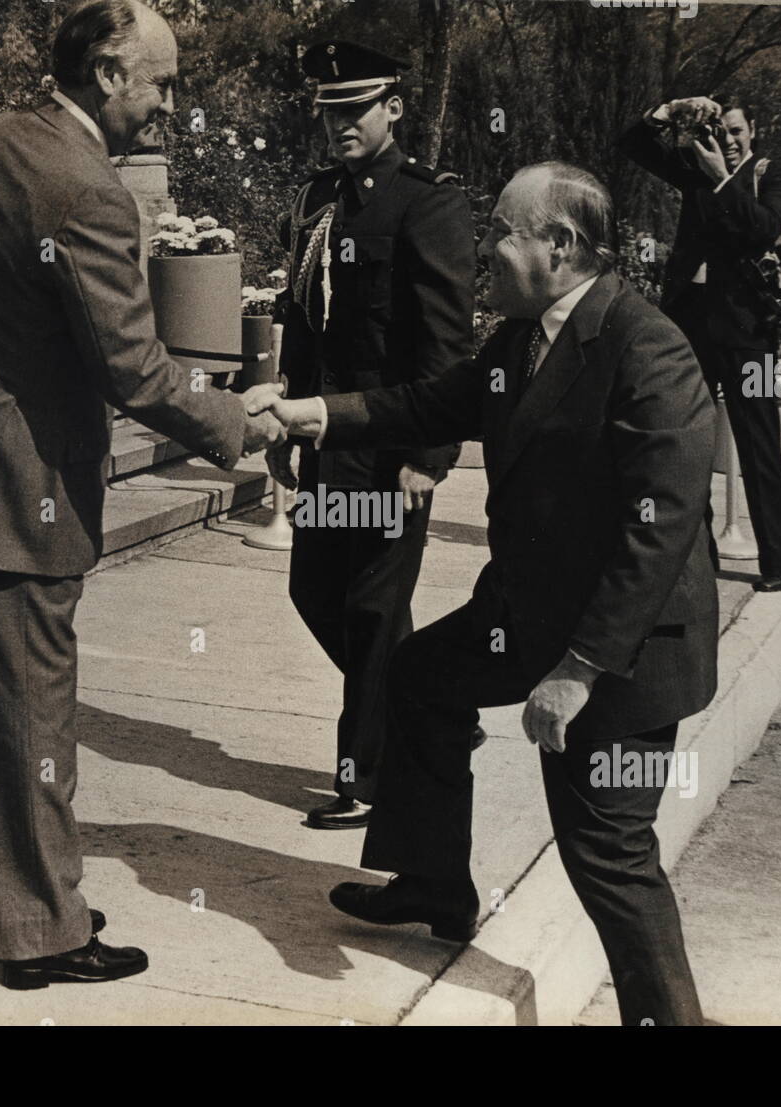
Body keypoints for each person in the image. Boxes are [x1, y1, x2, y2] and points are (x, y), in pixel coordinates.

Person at [252, 162, 717, 1025]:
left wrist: (578, 669)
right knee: (420, 677)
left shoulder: (647, 348)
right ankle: (433, 883)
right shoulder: (521, 340)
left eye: (502, 231)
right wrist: (310, 412)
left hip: (627, 647)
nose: (484, 252)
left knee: (608, 850)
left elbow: (662, 529)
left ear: (561, 245)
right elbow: (427, 403)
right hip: (530, 617)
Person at [0, 0, 285, 990]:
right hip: (22, 490)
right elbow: (135, 370)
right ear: (107, 74)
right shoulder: (90, 190)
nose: (170, 104)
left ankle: (5, 899)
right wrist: (240, 423)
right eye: (160, 82)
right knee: (34, 719)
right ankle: (40, 936)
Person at [271, 40, 476, 829]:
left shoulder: (428, 202)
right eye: (330, 111)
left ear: (393, 107)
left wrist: (430, 453)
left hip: (392, 444)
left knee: (373, 609)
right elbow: (302, 320)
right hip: (327, 438)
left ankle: (368, 778)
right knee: (315, 590)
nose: (340, 125)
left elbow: (445, 341)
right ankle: (423, 711)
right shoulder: (318, 198)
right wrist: (289, 423)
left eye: (355, 110)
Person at [620, 96, 781, 592]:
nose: (731, 140)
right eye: (722, 131)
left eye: (739, 131)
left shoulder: (774, 172)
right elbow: (632, 143)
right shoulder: (696, 168)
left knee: (759, 442)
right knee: (683, 440)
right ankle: (698, 552)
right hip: (691, 326)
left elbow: (765, 228)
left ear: (754, 130)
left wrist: (722, 178)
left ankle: (777, 562)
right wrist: (671, 107)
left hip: (749, 333)